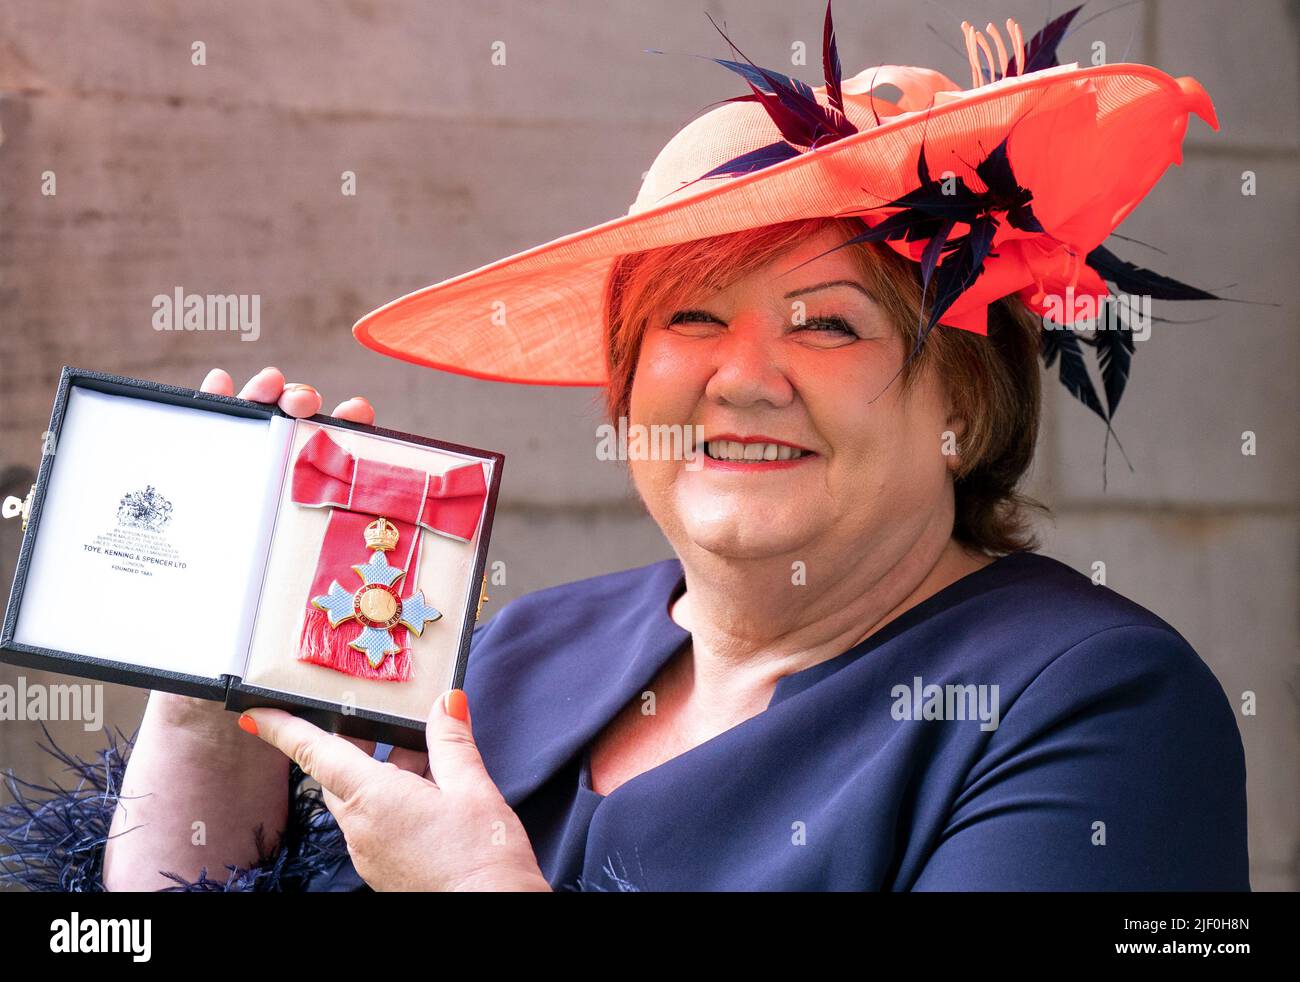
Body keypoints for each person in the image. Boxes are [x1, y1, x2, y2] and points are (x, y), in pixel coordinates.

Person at [1, 4, 1249, 891]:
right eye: (690, 318)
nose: (742, 377)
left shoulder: (1097, 704)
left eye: (828, 323)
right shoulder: (517, 650)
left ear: (962, 409)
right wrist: (210, 706)